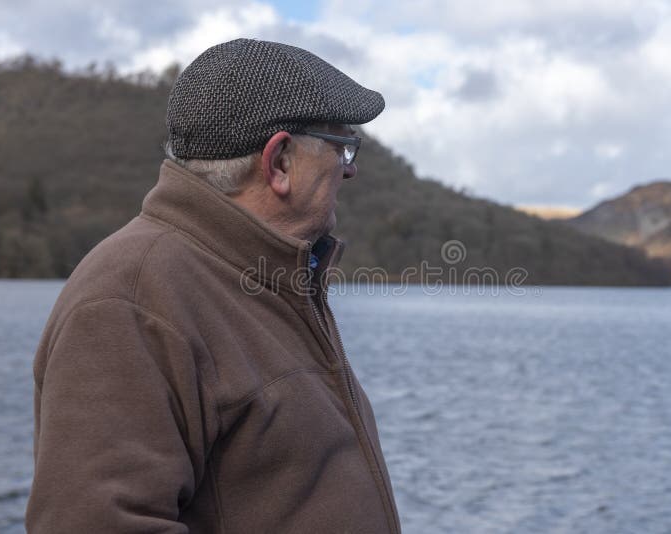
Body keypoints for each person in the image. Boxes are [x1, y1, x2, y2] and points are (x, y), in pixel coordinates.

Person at [26, 39, 400, 533]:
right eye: (341, 147)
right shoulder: (129, 299)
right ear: (280, 162)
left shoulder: (267, 276)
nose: (349, 169)